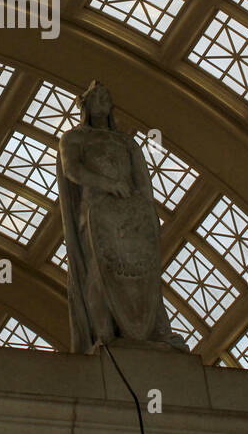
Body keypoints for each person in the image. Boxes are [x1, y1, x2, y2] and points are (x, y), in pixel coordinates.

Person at [57, 80, 187, 354]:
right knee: (99, 271)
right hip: (97, 214)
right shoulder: (75, 138)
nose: (103, 99)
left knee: (144, 271)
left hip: (130, 217)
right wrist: (106, 184)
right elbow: (72, 170)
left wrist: (144, 210)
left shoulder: (126, 141)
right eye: (97, 96)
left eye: (107, 96)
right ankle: (103, 332)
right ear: (86, 105)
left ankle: (156, 330)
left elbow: (142, 180)